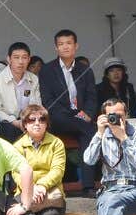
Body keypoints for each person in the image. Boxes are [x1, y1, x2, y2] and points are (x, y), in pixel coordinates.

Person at [38, 29, 98, 189]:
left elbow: (92, 97)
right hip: (58, 118)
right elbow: (48, 100)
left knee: (88, 133)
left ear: (76, 46)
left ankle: (88, 185)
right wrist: (76, 115)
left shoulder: (85, 70)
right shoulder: (47, 70)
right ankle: (86, 185)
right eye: (61, 44)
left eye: (69, 43)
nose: (65, 47)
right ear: (56, 48)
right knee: (90, 129)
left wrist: (88, 113)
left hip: (81, 119)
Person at [84, 96, 136, 215]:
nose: (116, 119)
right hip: (109, 190)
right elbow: (88, 160)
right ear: (104, 117)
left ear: (126, 115)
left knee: (111, 203)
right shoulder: (102, 134)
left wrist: (123, 138)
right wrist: (99, 133)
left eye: (119, 115)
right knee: (111, 203)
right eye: (111, 116)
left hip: (135, 191)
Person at [13, 104, 66, 215]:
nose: (37, 123)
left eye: (42, 120)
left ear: (46, 124)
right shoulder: (18, 146)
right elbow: (16, 172)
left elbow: (58, 170)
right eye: (32, 120)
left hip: (50, 193)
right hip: (25, 193)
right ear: (25, 124)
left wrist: (42, 185)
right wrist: (31, 188)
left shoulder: (56, 143)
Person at [0, 42, 40, 135]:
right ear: (9, 59)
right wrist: (14, 122)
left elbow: (36, 105)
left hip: (28, 120)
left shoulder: (33, 79)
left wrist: (30, 120)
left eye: (24, 57)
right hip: (7, 121)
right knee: (9, 130)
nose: (20, 62)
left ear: (29, 59)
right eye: (16, 57)